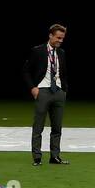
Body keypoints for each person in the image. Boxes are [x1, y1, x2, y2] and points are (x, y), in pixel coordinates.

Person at [23, 23, 69, 166]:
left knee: (57, 127)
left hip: (58, 92)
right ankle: (37, 157)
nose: (60, 41)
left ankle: (54, 157)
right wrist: (32, 88)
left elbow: (64, 73)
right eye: (58, 38)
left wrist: (64, 90)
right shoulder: (38, 51)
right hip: (42, 91)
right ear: (50, 35)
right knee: (38, 126)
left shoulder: (61, 53)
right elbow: (26, 71)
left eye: (62, 38)